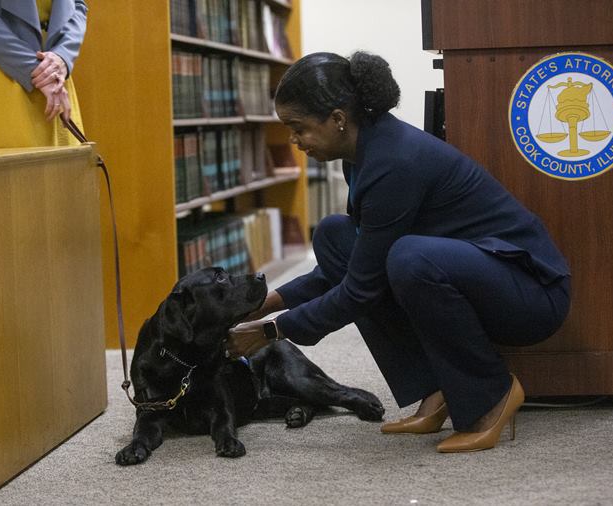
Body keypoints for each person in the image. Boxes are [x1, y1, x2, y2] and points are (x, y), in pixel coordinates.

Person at [226, 51, 571, 453]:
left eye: (298, 128)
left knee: (410, 258)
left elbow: (360, 290)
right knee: (336, 236)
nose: (294, 141)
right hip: (479, 274)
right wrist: (266, 304)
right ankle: (437, 387)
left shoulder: (393, 162)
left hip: (531, 292)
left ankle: (490, 395)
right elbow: (360, 265)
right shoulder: (363, 152)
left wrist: (271, 332)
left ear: (338, 119)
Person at [0, 0, 87, 149]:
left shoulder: (54, 68)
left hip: (55, 76)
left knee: (66, 168)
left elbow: (78, 6)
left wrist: (63, 56)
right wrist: (38, 69)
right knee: (3, 168)